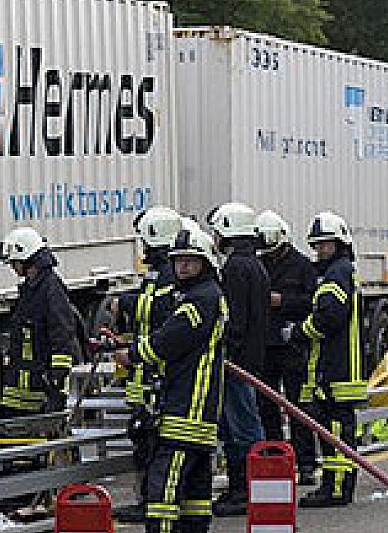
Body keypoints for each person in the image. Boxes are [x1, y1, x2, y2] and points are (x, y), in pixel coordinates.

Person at [113, 226, 226, 533]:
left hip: (186, 411)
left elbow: (170, 339)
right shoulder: (198, 295)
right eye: (179, 260)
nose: (183, 266)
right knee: (194, 494)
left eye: (191, 260)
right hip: (194, 411)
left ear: (206, 262)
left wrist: (133, 353)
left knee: (163, 487)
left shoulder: (200, 300)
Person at [284, 211, 366, 508]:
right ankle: (333, 486)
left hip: (337, 369)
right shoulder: (339, 271)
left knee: (337, 431)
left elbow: (328, 317)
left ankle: (336, 489)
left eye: (325, 244)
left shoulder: (336, 274)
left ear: (339, 243)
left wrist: (299, 332)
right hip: (337, 366)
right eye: (317, 245)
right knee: (334, 429)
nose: (320, 250)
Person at [109, 207, 184, 523]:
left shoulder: (168, 273)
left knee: (153, 443)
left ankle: (150, 502)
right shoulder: (160, 272)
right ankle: (147, 499)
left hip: (155, 374)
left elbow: (157, 310)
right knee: (144, 438)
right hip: (146, 373)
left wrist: (124, 302)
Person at [206, 202, 269, 517]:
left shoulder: (234, 268)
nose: (214, 238)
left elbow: (235, 320)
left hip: (236, 363)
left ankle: (244, 491)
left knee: (240, 429)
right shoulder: (255, 265)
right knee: (244, 425)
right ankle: (246, 489)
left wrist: (224, 350)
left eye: (217, 231)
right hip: (251, 360)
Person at [256, 210, 319, 486]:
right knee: (266, 406)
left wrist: (283, 301)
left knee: (298, 406)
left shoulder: (303, 266)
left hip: (293, 345)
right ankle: (275, 460)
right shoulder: (260, 263)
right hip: (266, 345)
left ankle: (305, 464)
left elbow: (311, 302)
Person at [0, 227, 79, 417]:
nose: (13, 267)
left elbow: (63, 332)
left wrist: (57, 375)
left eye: (15, 262)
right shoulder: (32, 288)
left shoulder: (50, 288)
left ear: (27, 259)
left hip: (41, 386)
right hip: (26, 387)